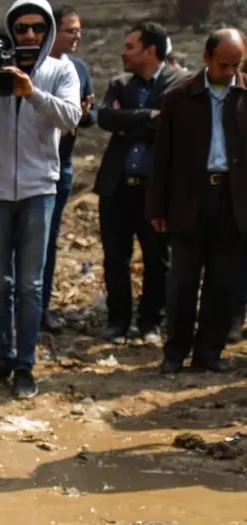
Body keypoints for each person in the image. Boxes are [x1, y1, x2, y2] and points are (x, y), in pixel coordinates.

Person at [0, 0, 81, 399]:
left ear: (47, 30)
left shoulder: (60, 69)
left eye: (37, 28)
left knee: (31, 285)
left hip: (39, 189)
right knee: (0, 282)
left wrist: (32, 93)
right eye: (22, 28)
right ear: (11, 31)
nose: (30, 36)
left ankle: (25, 366)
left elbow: (70, 118)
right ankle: (1, 359)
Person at [148, 29, 247, 374]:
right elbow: (163, 157)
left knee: (223, 283)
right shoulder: (178, 97)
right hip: (191, 200)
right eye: (223, 65)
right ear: (206, 59)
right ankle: (175, 352)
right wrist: (157, 207)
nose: (230, 72)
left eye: (236, 65)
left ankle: (209, 353)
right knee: (183, 283)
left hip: (233, 202)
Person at [94, 22, 181, 344]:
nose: (123, 52)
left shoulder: (178, 84)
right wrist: (148, 117)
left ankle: (150, 322)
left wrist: (128, 122)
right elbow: (105, 118)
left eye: (130, 46)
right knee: (115, 257)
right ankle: (118, 321)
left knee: (157, 259)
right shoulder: (119, 83)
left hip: (154, 189)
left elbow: (170, 128)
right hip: (116, 186)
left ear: (151, 50)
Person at [40, 5, 96, 333]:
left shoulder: (79, 69)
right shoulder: (33, 68)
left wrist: (82, 115)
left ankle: (41, 307)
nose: (77, 36)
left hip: (62, 167)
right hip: (30, 165)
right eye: (70, 30)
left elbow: (92, 113)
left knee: (48, 241)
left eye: (79, 30)